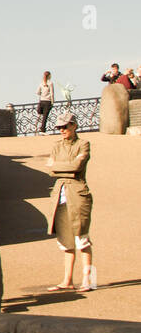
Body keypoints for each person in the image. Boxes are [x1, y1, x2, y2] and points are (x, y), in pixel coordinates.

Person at [46, 112, 94, 291]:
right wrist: (66, 168)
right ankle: (67, 280)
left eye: (65, 126)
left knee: (82, 238)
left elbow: (76, 167)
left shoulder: (83, 144)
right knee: (65, 241)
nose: (62, 130)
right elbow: (50, 170)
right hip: (60, 196)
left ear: (74, 126)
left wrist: (59, 167)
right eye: (59, 127)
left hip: (78, 194)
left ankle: (88, 279)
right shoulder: (56, 145)